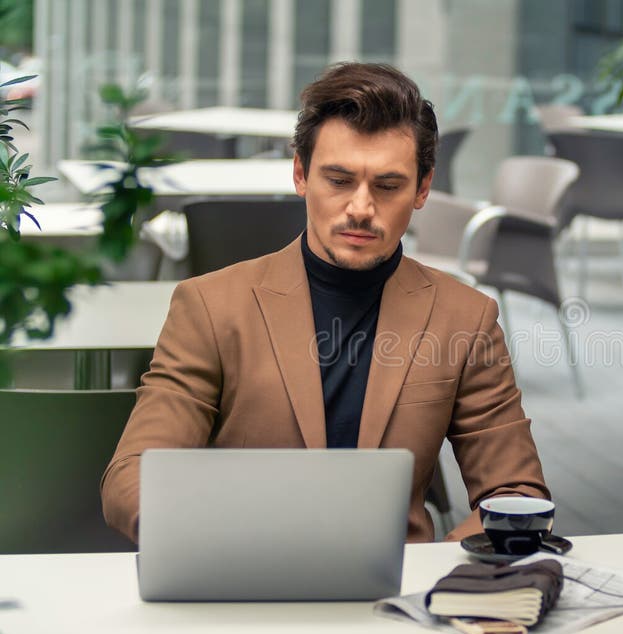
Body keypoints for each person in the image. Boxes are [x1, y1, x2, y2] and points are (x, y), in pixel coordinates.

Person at [101, 62, 550, 544]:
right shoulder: (210, 307)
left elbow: (516, 491)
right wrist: (204, 543)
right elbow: (134, 473)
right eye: (338, 180)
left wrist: (441, 573)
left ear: (422, 189)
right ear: (300, 174)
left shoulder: (465, 318)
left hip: (402, 582)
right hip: (242, 569)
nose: (360, 208)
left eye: (388, 186)